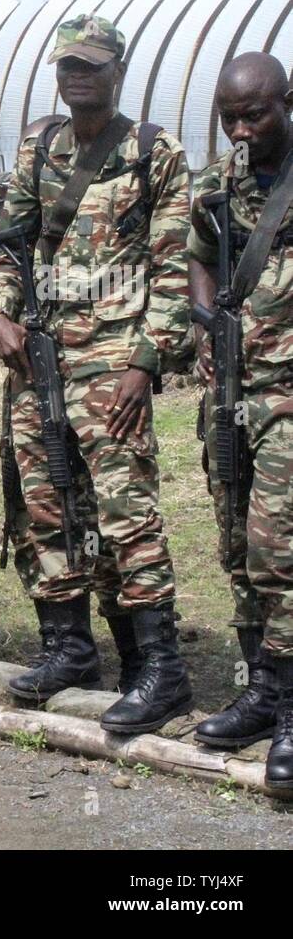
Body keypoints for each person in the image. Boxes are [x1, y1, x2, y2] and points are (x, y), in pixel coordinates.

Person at [0, 15, 193, 733]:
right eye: (68, 64)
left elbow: (174, 268)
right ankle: (70, 650)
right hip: (38, 356)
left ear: (118, 70)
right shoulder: (40, 147)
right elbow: (8, 243)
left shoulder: (151, 152)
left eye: (92, 64)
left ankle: (160, 668)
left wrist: (146, 359)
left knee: (124, 510)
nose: (79, 75)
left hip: (112, 360)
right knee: (42, 505)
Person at [188, 52, 293, 787]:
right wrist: (204, 320)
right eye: (230, 117)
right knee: (234, 546)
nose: (241, 129)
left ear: (287, 103)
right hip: (230, 393)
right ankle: (259, 689)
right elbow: (198, 253)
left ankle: (290, 704)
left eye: (254, 113)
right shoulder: (220, 184)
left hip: (288, 396)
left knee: (279, 552)